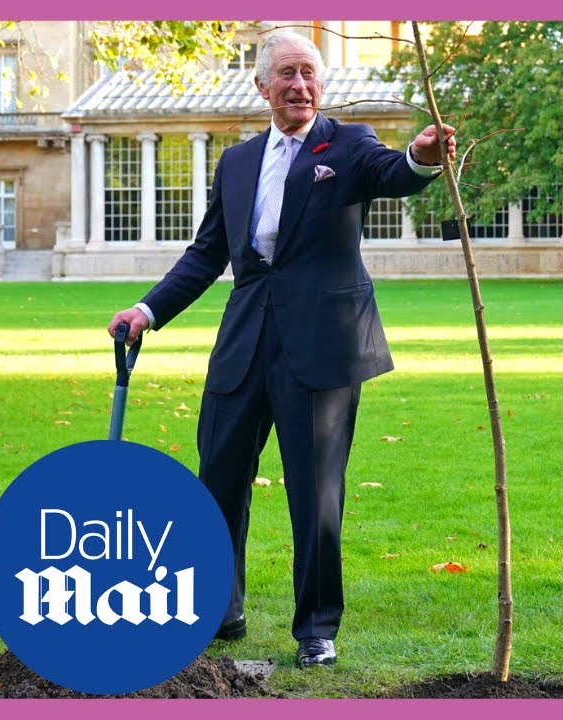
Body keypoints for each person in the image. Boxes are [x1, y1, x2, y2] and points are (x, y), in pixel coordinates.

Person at [106, 30, 455, 667]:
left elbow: (394, 174)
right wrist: (147, 309)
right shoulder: (236, 163)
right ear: (262, 86)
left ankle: (316, 629)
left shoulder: (347, 144)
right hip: (243, 342)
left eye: (309, 73)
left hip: (322, 347)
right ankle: (220, 607)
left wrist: (423, 157)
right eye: (286, 75)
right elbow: (208, 252)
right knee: (218, 479)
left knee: (316, 491)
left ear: (322, 83)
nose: (300, 85)